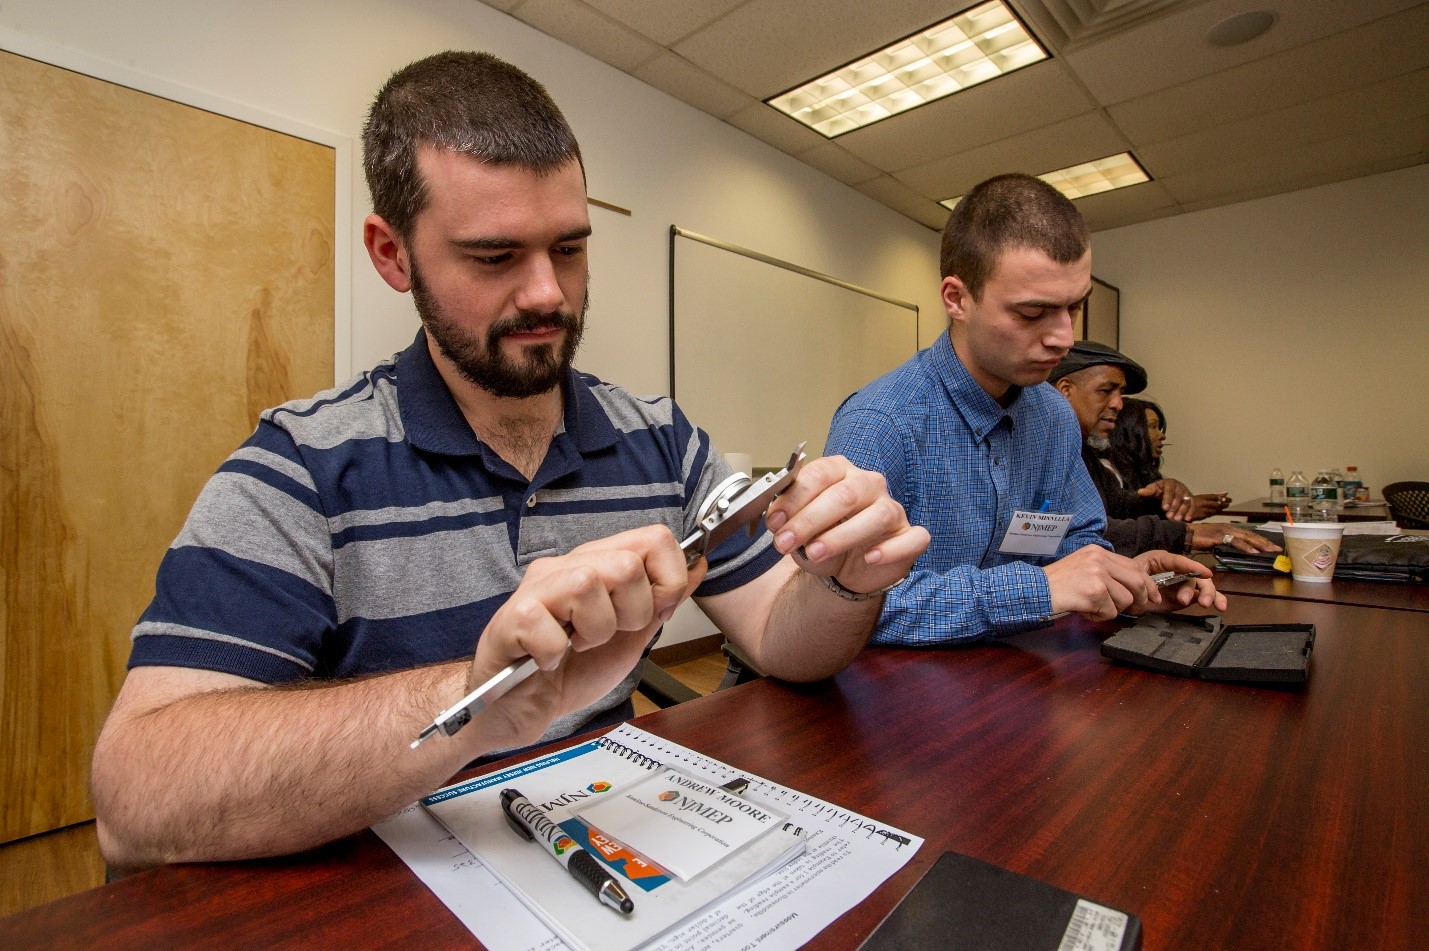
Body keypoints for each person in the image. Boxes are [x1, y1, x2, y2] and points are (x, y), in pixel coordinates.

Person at [90, 51, 929, 874]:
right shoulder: (302, 467)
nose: (547, 294)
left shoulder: (661, 439)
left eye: (568, 248)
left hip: (610, 856)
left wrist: (843, 584)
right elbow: (136, 797)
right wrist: (476, 700)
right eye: (494, 257)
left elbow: (783, 640)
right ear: (391, 254)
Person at [824, 173, 1224, 648]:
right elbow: (841, 606)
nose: (1064, 338)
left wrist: (1124, 580)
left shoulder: (1054, 416)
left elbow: (1077, 539)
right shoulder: (880, 424)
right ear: (957, 299)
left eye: (1074, 308)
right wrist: (1038, 590)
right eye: (1032, 313)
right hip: (904, 686)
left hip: (1027, 670)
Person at [1049, 344, 1277, 557]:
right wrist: (1185, 534)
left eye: (1120, 393)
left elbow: (1117, 506)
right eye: (1106, 391)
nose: (1118, 404)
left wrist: (1161, 500)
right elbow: (1078, 532)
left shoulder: (1082, 451)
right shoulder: (1045, 451)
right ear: (1066, 390)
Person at [1110, 398, 1229, 520]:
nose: (1162, 435)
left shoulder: (1142, 474)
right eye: (1153, 426)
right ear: (1129, 431)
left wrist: (1184, 506)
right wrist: (1182, 511)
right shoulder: (1110, 472)